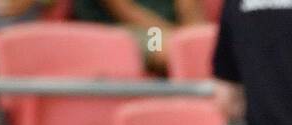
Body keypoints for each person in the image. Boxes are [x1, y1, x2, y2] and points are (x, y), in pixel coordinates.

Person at [72, 0, 206, 74]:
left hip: (171, 32)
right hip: (116, 32)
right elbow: (127, 12)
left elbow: (192, 15)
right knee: (169, 50)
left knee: (209, 49)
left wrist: (198, 41)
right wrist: (181, 43)